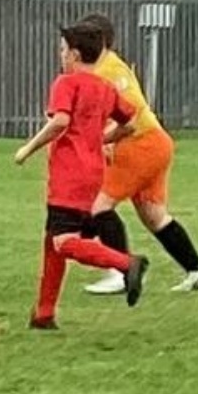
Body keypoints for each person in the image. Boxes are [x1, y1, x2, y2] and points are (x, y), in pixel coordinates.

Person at [13, 21, 149, 329]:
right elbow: (129, 122)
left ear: (74, 54)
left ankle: (126, 263)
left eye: (62, 50)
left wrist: (28, 148)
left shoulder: (66, 83)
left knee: (64, 242)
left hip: (69, 175)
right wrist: (101, 140)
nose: (60, 55)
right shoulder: (104, 88)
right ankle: (44, 314)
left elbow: (60, 121)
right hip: (93, 173)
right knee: (52, 241)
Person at [76, 13, 198, 296]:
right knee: (154, 215)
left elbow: (132, 111)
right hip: (156, 141)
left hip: (142, 144)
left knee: (99, 207)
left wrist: (104, 137)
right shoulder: (109, 67)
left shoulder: (108, 71)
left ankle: (120, 269)